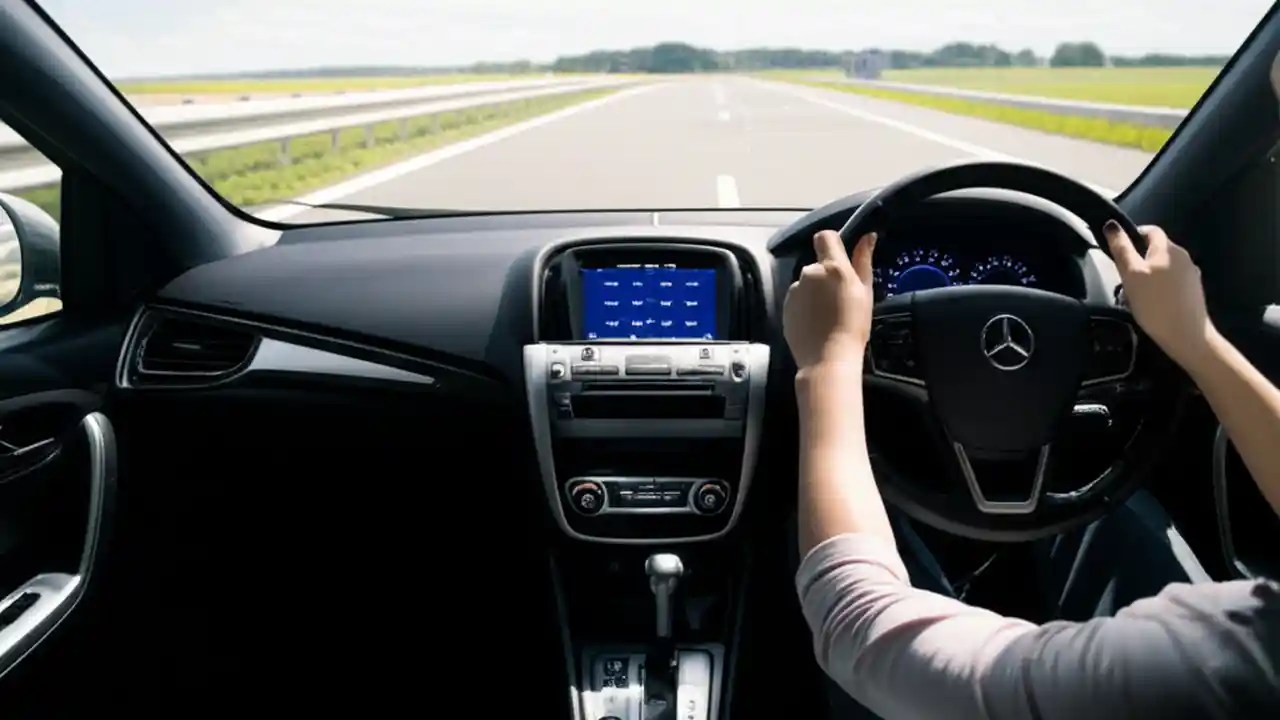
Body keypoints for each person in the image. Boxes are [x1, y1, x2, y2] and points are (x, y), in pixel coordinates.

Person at [783, 223, 1280, 719]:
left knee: (864, 522)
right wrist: (1194, 338)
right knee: (1107, 511)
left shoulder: (1196, 675)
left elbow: (854, 625)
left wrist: (827, 362)